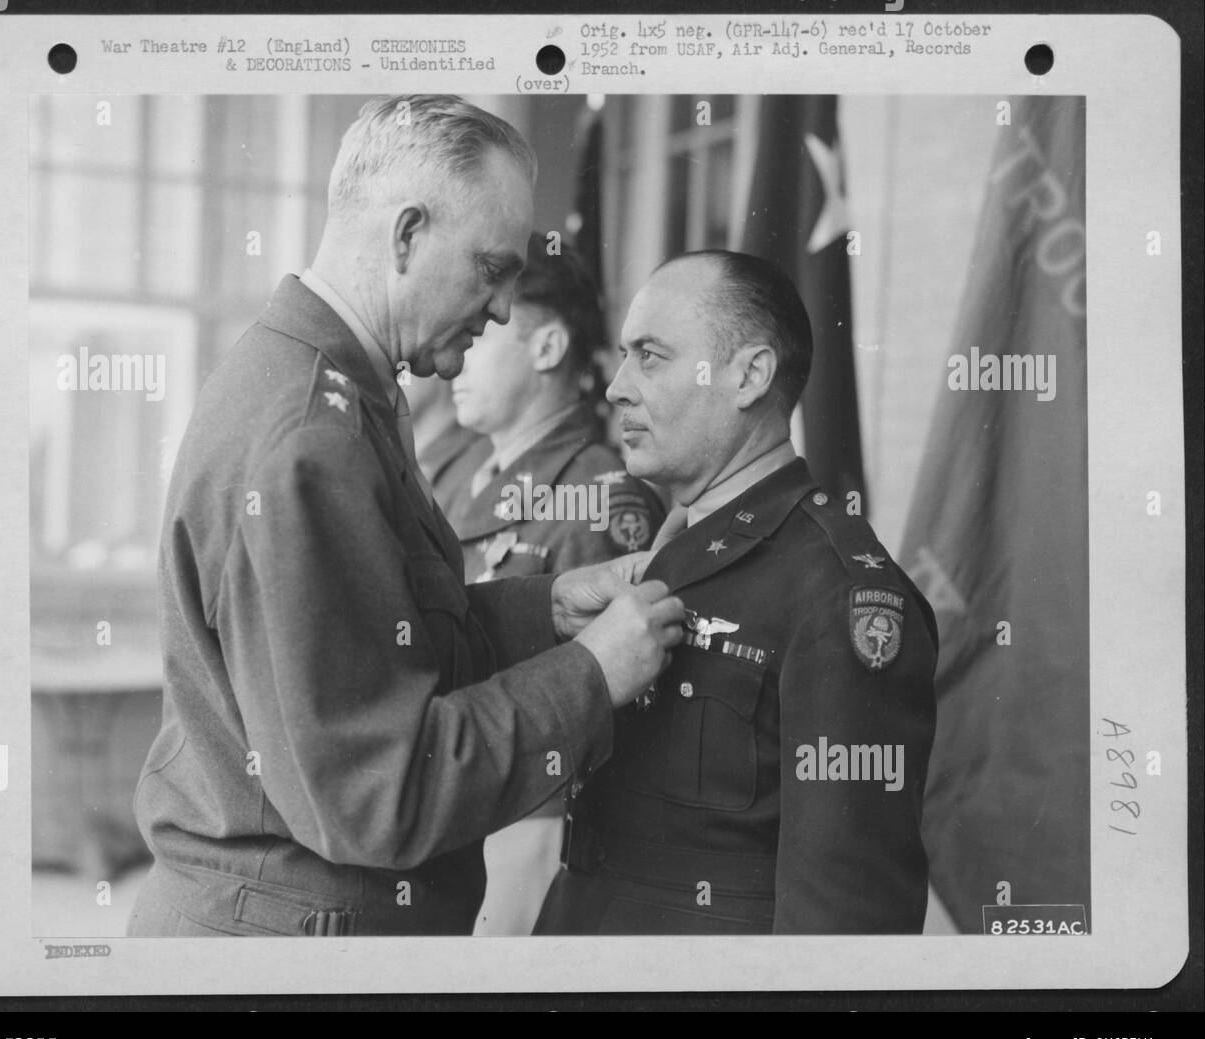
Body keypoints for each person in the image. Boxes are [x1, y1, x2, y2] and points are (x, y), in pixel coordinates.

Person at [127, 95, 684, 937]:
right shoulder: (311, 436)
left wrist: (548, 612)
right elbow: (379, 793)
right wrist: (591, 676)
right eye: (492, 268)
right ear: (405, 235)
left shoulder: (328, 381)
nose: (502, 307)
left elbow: (384, 633)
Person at [535, 250, 939, 935]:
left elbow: (840, 927)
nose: (617, 387)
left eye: (651, 357)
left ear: (750, 375)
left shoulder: (838, 596)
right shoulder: (665, 550)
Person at [431, 234, 664, 934]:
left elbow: (604, 710)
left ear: (548, 348)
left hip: (526, 832)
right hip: (443, 803)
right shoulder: (452, 466)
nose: (456, 357)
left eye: (484, 330)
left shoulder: (601, 494)